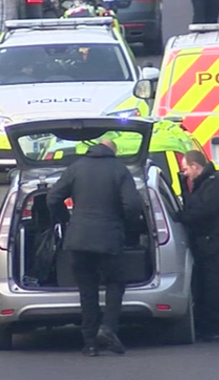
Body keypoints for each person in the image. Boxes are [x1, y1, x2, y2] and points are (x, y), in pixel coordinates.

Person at [46, 138, 143, 357]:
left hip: (78, 238)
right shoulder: (120, 170)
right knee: (115, 283)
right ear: (113, 151)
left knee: (87, 290)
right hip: (109, 238)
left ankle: (89, 343)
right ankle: (107, 329)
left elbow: (53, 198)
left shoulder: (76, 168)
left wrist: (66, 220)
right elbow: (132, 204)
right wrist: (127, 224)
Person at [178, 150, 219, 342]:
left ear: (196, 166)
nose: (185, 173)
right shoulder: (200, 184)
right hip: (207, 245)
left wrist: (180, 217)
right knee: (207, 290)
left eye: (186, 169)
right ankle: (210, 328)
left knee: (218, 291)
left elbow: (204, 211)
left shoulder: (215, 184)